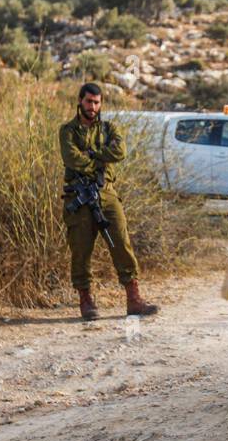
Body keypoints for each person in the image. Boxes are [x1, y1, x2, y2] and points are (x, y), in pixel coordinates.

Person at [59, 82, 158, 321]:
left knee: (121, 243)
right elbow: (71, 158)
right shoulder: (68, 130)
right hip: (79, 195)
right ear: (80, 102)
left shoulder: (110, 129)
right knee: (81, 249)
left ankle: (133, 299)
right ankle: (86, 301)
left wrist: (91, 154)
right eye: (88, 101)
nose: (92, 106)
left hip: (107, 193)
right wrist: (98, 161)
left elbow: (119, 152)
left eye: (96, 102)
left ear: (101, 104)